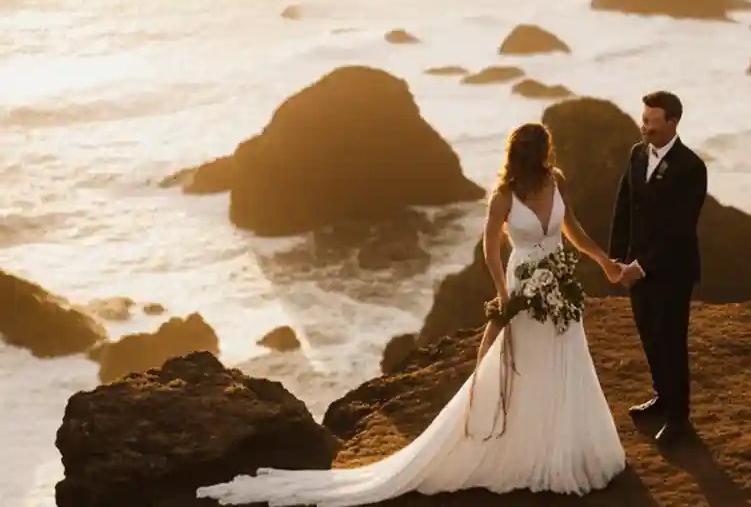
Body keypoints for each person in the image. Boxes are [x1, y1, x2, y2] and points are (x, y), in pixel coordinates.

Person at [196, 123, 633, 506]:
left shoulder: (556, 182)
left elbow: (572, 228)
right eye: (537, 152)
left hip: (558, 279)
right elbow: (489, 247)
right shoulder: (503, 196)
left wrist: (604, 262)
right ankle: (528, 449)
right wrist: (503, 292)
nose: (542, 159)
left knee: (567, 357)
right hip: (523, 285)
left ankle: (565, 446)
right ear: (530, 153)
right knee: (525, 367)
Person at [610, 91, 708, 448]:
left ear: (672, 122)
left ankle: (679, 417)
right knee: (649, 337)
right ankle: (662, 396)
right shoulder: (637, 155)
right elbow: (624, 206)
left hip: (672, 272)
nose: (645, 127)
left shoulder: (691, 168)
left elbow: (679, 228)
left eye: (652, 121)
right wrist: (617, 258)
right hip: (636, 269)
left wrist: (642, 265)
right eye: (644, 119)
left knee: (671, 341)